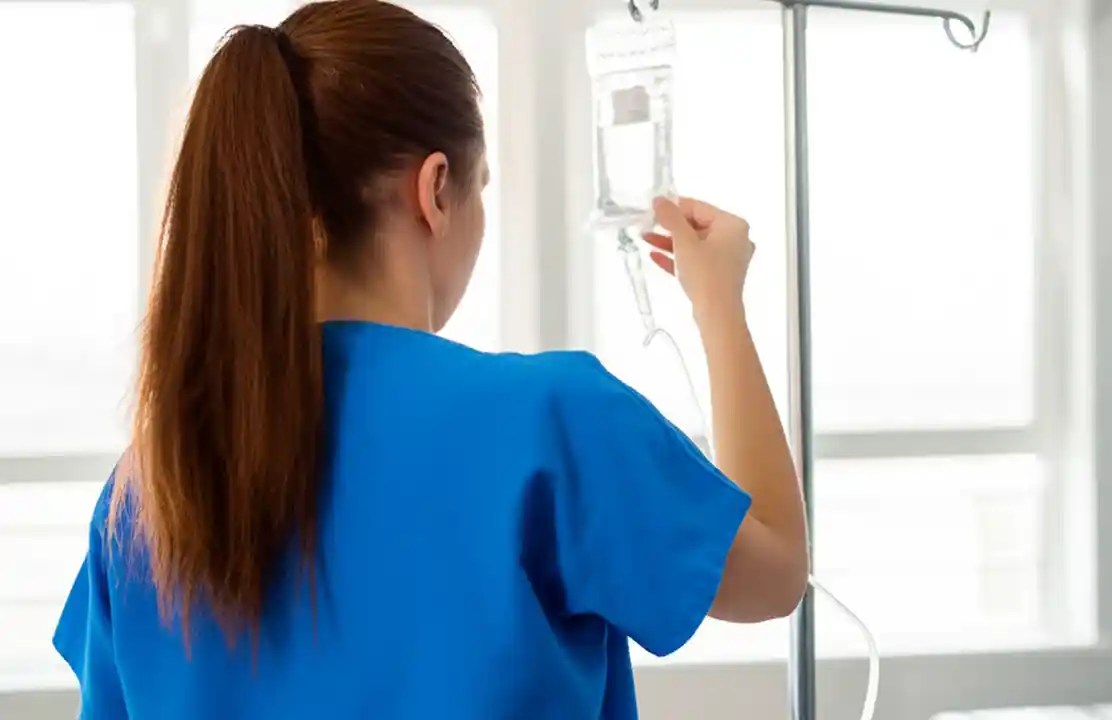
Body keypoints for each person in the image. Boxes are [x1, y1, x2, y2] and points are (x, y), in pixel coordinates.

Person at [52, 1, 807, 718]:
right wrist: (719, 305)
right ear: (436, 190)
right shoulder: (551, 423)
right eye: (481, 188)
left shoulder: (150, 488)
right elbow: (775, 573)